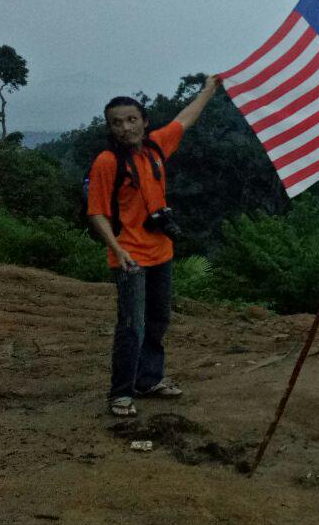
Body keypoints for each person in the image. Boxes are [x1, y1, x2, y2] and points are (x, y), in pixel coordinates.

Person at [87, 76, 220, 417]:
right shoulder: (107, 162)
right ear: (109, 127)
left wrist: (209, 89)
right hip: (130, 255)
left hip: (161, 251)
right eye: (116, 123)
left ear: (144, 122)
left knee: (158, 320)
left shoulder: (156, 147)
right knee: (132, 325)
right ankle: (120, 393)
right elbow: (97, 212)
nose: (125, 128)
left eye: (132, 120)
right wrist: (117, 249)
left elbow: (184, 119)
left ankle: (149, 379)